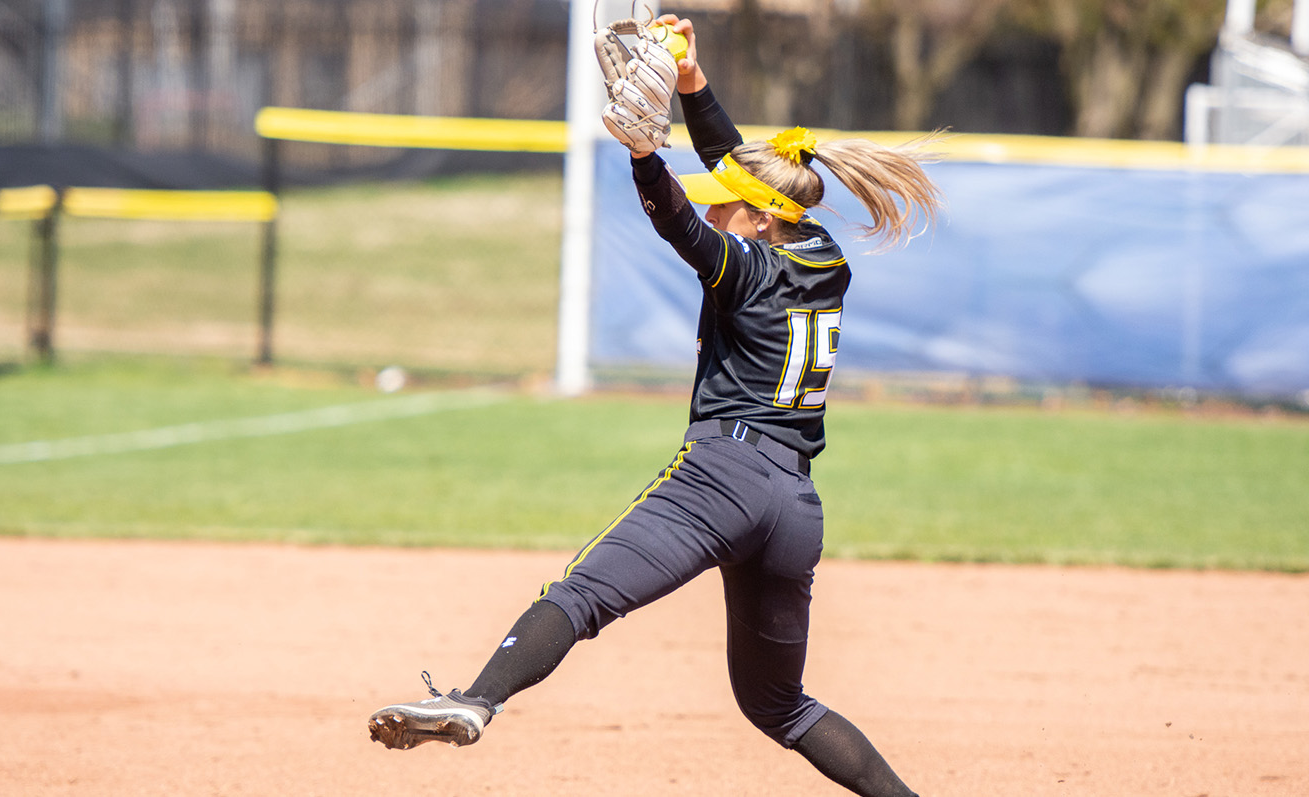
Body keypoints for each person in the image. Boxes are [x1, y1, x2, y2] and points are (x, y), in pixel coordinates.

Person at [368, 15, 941, 797]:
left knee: (578, 593)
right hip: (794, 504)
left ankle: (474, 699)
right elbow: (733, 170)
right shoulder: (819, 255)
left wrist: (644, 155)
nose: (713, 209)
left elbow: (677, 221)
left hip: (723, 479)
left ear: (761, 218)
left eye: (727, 206)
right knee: (779, 704)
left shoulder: (743, 269)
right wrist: (691, 84)